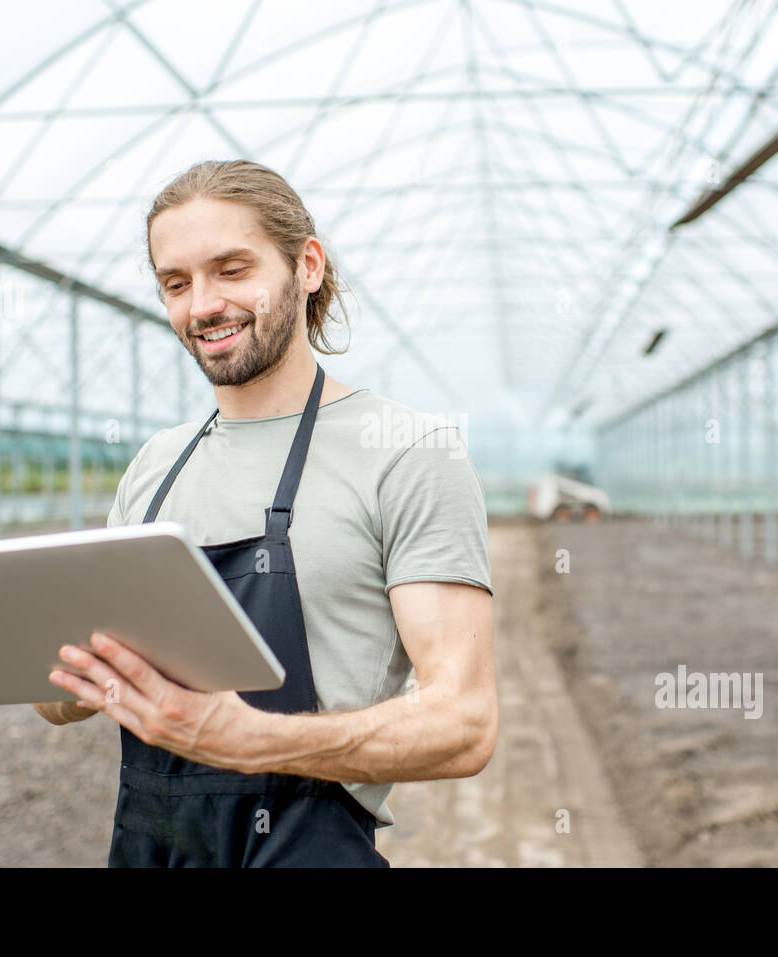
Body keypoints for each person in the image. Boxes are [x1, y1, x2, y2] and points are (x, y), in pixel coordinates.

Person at [34, 159, 497, 868]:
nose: (203, 306)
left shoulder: (407, 452)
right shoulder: (157, 468)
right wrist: (43, 660)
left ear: (307, 265)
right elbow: (61, 699)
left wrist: (247, 738)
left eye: (231, 269)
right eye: (176, 283)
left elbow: (464, 722)